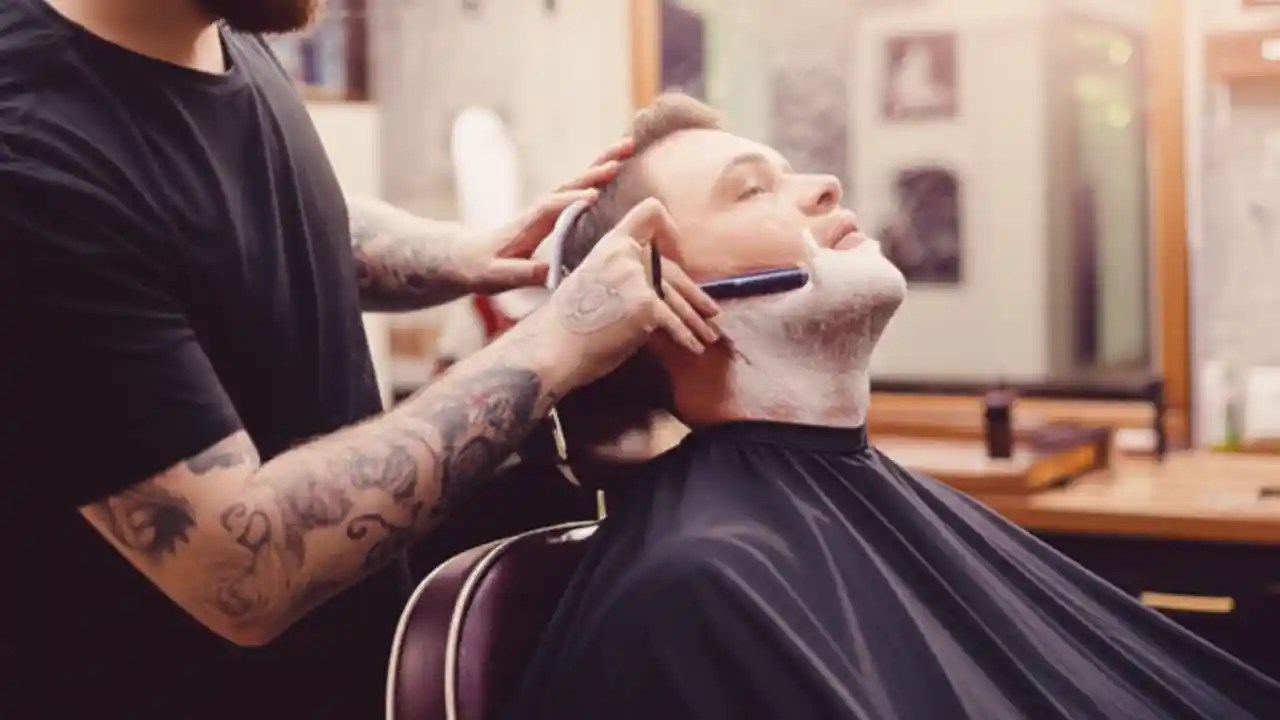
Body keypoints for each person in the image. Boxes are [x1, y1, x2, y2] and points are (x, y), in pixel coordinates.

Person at [0, 1, 720, 717]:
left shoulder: (210, 28)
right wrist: (556, 342)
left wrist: (464, 252)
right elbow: (241, 567)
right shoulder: (31, 164)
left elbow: (245, 215)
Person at [508, 94, 1280, 719]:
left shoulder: (840, 498)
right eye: (752, 189)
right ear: (652, 300)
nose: (824, 186)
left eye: (790, 173)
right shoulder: (694, 589)